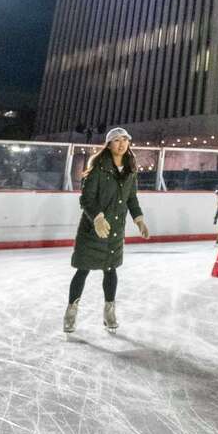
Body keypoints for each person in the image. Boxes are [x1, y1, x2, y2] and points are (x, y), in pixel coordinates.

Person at [64, 127, 150, 333]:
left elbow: (131, 198)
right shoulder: (98, 168)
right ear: (109, 144)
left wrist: (139, 219)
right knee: (83, 269)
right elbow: (86, 199)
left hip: (114, 230)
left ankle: (109, 311)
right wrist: (98, 217)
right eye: (117, 140)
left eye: (125, 140)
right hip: (94, 229)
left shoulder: (130, 170)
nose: (121, 144)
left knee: (110, 270)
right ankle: (71, 312)